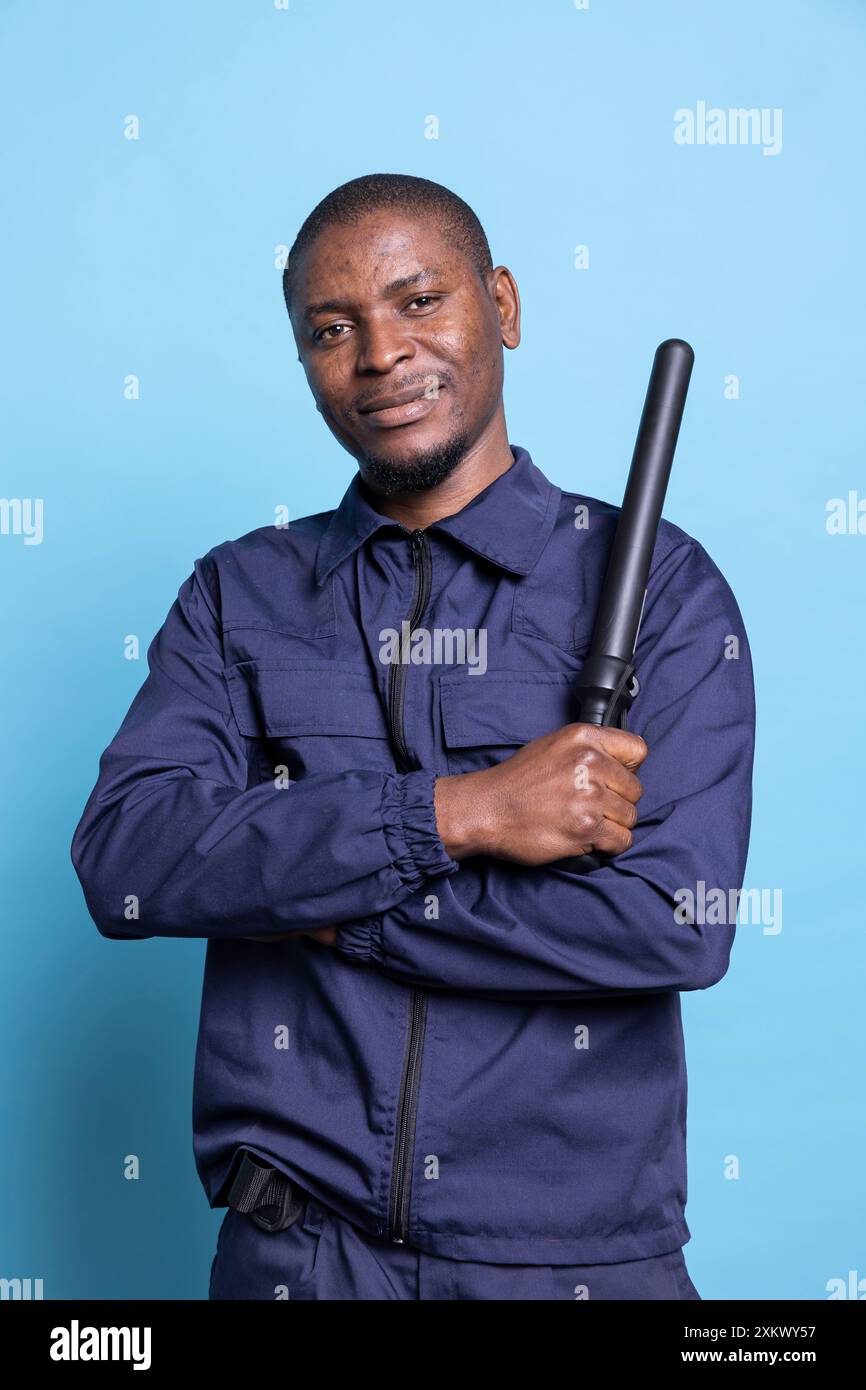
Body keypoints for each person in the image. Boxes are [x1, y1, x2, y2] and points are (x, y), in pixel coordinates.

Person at [70, 173, 755, 1301]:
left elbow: (672, 925)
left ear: (503, 306)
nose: (380, 356)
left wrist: (324, 911)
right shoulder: (239, 596)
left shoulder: (663, 587)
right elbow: (128, 861)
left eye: (418, 301)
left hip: (573, 1265)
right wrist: (457, 813)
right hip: (296, 1256)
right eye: (331, 330)